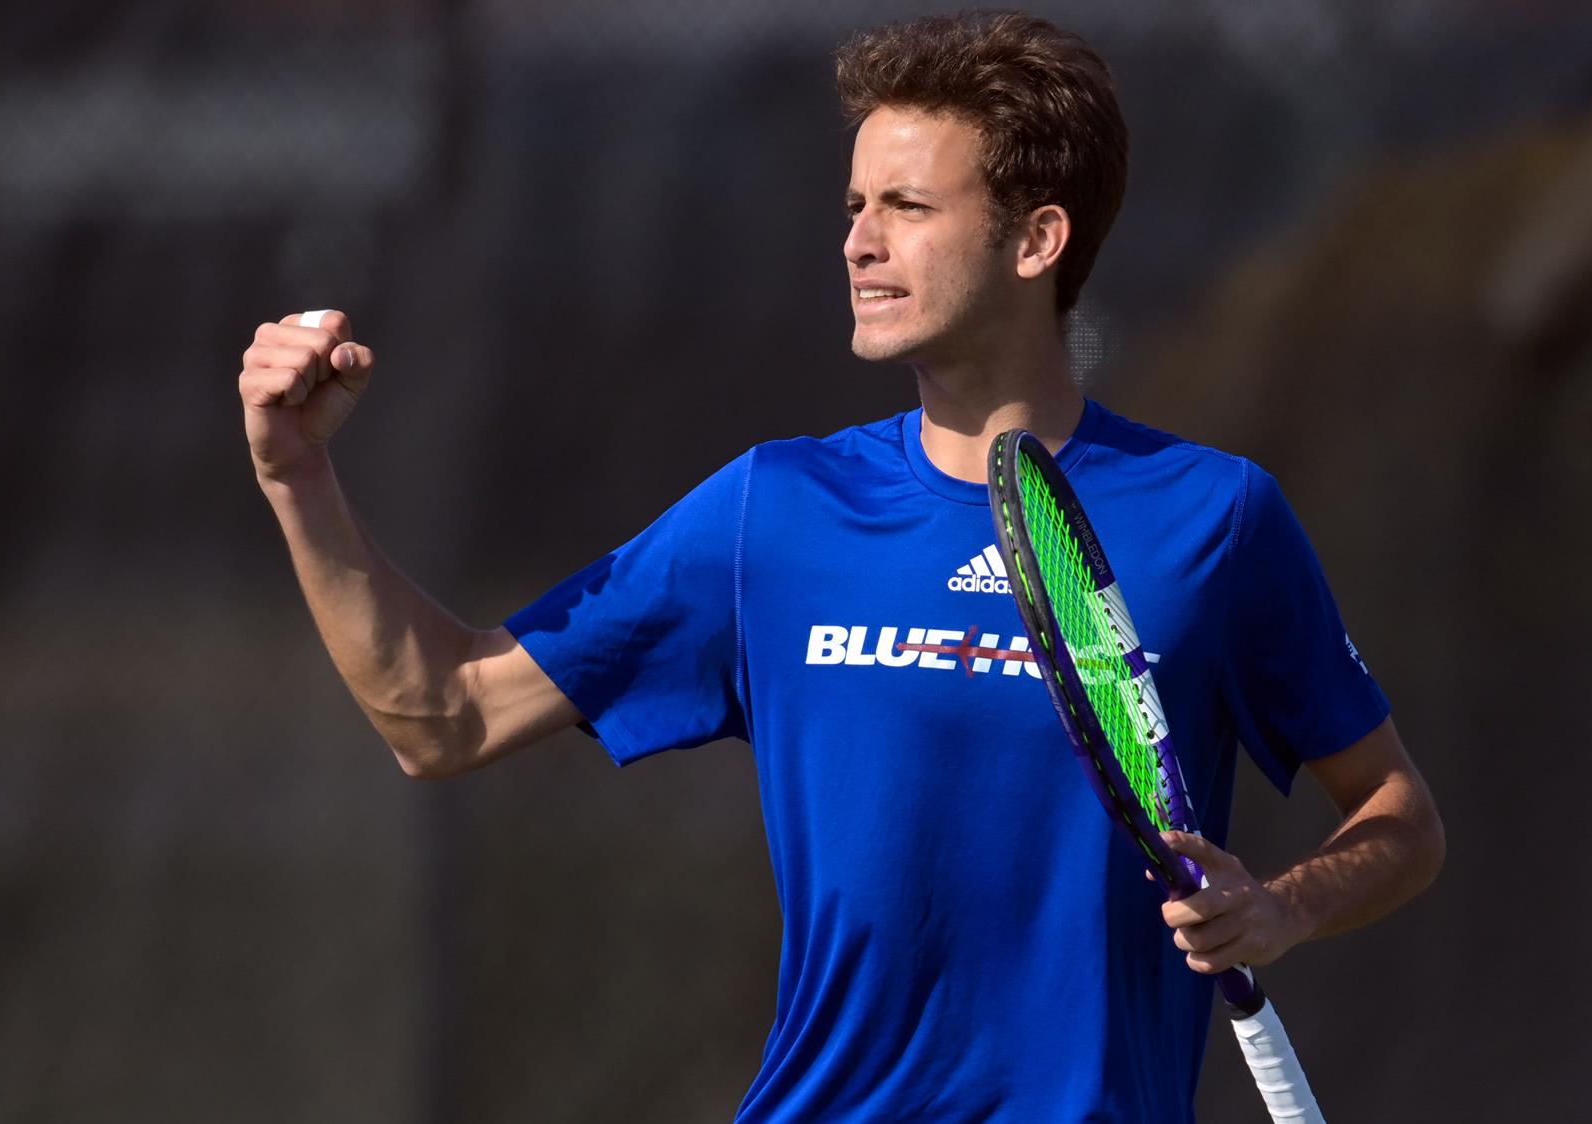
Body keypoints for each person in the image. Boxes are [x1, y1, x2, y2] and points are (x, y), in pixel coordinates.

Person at [237, 11, 1444, 1122]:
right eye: (854, 204)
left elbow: (1399, 819)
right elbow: (439, 715)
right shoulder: (774, 511)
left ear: (1036, 239)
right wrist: (297, 477)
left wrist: (1280, 905)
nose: (859, 242)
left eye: (907, 208)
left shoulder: (1214, 517)